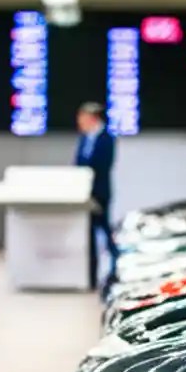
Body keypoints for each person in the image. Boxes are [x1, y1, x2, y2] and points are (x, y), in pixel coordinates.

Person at [74, 102, 117, 290]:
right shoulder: (85, 138)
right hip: (82, 193)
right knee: (89, 236)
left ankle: (117, 268)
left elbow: (101, 166)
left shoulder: (106, 139)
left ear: (92, 118)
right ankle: (90, 276)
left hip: (99, 194)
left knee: (105, 232)